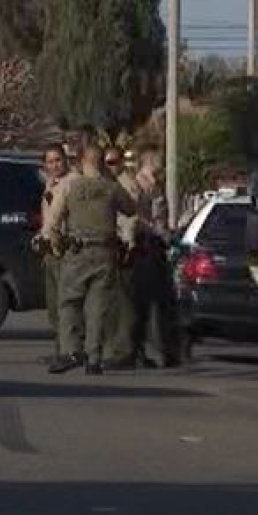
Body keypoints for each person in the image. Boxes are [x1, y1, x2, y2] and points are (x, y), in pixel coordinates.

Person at [43, 144, 137, 375]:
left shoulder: (69, 187)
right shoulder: (112, 188)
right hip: (105, 253)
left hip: (77, 252)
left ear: (80, 161)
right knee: (97, 307)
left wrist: (56, 245)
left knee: (69, 302)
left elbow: (53, 222)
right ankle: (93, 358)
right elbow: (130, 208)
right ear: (102, 162)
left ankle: (71, 351)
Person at [128, 151, 181, 367]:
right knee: (142, 304)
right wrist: (156, 230)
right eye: (157, 166)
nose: (161, 170)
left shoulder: (155, 187)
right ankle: (137, 349)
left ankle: (165, 351)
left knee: (162, 303)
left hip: (157, 249)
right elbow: (134, 217)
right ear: (147, 163)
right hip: (143, 248)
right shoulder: (135, 187)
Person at [36, 144, 79, 362]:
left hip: (66, 248)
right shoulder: (50, 184)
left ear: (66, 161)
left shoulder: (73, 182)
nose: (54, 165)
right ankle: (60, 348)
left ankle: (69, 351)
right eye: (50, 162)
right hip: (50, 250)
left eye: (58, 160)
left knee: (66, 303)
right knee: (53, 304)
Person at [103, 148, 140, 370]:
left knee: (123, 303)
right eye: (106, 163)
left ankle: (124, 351)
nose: (110, 167)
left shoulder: (126, 185)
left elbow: (131, 218)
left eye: (113, 162)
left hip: (123, 247)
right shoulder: (111, 184)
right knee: (112, 302)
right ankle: (114, 349)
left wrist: (128, 243)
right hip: (111, 246)